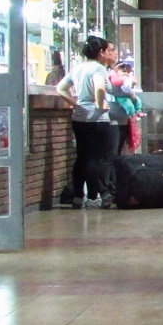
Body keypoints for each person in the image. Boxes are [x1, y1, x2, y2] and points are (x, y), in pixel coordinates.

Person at [56, 35, 120, 208]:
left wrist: (75, 104)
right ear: (100, 52)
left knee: (82, 157)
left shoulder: (78, 69)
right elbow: (100, 87)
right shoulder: (98, 69)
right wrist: (100, 105)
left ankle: (78, 196)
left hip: (79, 118)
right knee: (96, 158)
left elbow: (60, 88)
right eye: (107, 50)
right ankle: (96, 195)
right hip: (97, 119)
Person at [107, 59, 144, 154]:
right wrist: (129, 94)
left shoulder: (125, 80)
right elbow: (114, 91)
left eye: (127, 71)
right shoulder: (111, 78)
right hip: (114, 119)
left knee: (121, 146)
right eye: (122, 70)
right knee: (115, 147)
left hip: (123, 119)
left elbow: (129, 90)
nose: (125, 73)